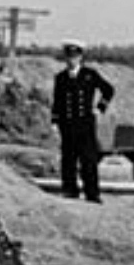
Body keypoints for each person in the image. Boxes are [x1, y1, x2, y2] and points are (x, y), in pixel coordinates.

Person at [51, 40, 115, 202]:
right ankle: (70, 190)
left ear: (80, 57)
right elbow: (57, 101)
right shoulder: (60, 78)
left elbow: (108, 90)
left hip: (85, 124)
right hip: (67, 124)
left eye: (75, 56)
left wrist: (99, 108)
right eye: (68, 57)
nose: (71, 60)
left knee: (88, 160)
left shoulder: (89, 75)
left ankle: (92, 193)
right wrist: (54, 121)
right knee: (68, 159)